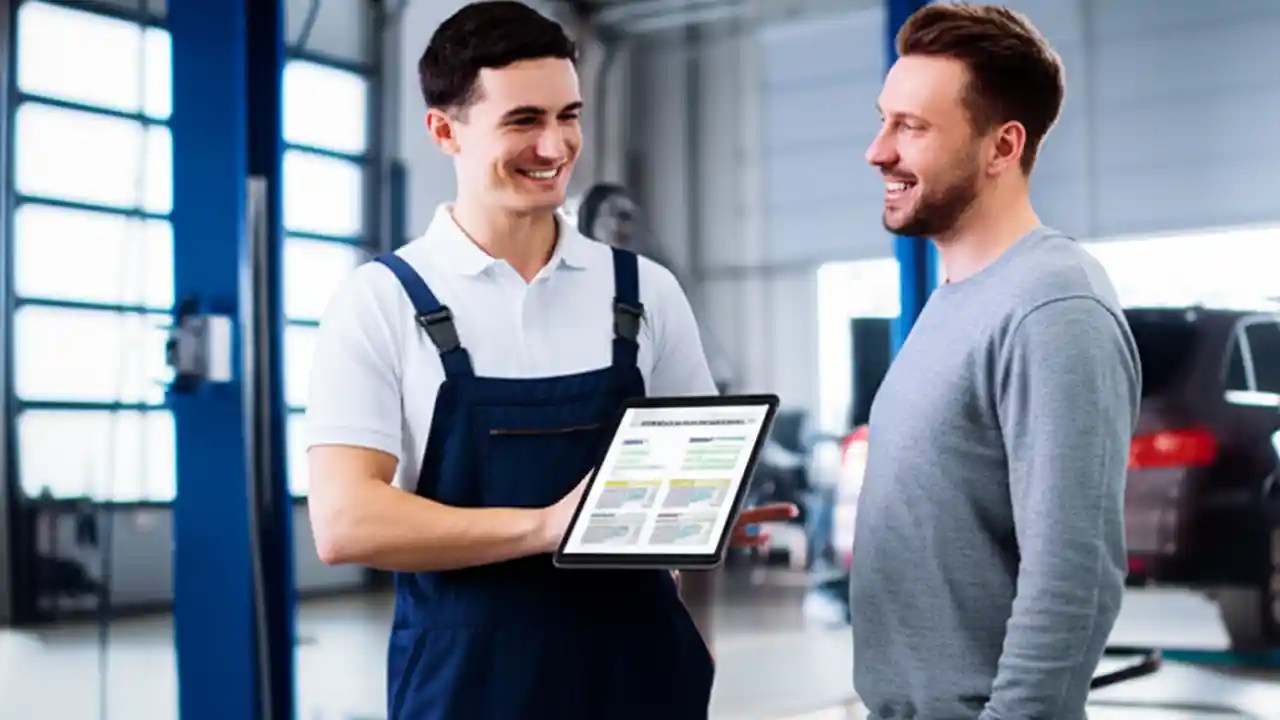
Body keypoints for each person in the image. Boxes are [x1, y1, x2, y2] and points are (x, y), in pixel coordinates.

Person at [303, 2, 794, 719]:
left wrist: (706, 557)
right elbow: (347, 521)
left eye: (569, 116)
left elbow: (692, 486)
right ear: (444, 130)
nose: (555, 145)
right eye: (523, 120)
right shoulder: (382, 302)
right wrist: (549, 526)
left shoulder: (644, 292)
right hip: (468, 689)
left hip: (642, 676)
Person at [850, 4, 1141, 720]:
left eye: (911, 127)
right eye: (884, 120)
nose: (877, 151)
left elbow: (1073, 579)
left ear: (1002, 147)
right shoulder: (957, 298)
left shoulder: (1054, 306)